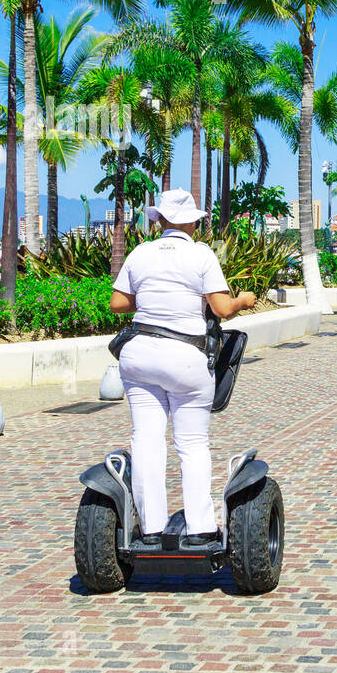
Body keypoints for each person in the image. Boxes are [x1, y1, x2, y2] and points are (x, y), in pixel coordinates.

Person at [108, 189, 257, 546]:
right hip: (186, 358)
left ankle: (152, 528)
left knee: (146, 439)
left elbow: (118, 304)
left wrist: (154, 300)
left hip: (140, 355)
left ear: (158, 220)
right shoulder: (200, 254)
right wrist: (243, 300)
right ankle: (200, 527)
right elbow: (221, 309)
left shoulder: (140, 253)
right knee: (191, 443)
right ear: (192, 221)